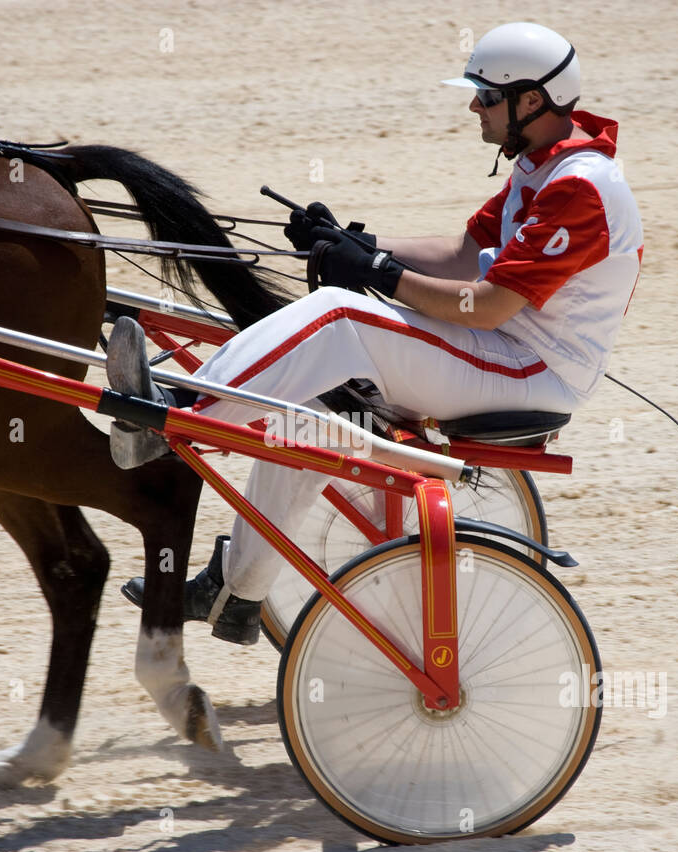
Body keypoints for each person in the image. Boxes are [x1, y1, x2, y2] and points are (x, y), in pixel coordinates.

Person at [109, 21, 643, 645]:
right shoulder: (540, 164)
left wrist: (379, 275)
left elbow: (489, 304)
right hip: (502, 350)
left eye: (486, 95)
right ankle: (236, 594)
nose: (474, 105)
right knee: (304, 411)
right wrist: (357, 243)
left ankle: (172, 414)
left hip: (531, 369)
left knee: (340, 316)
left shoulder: (580, 187)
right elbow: (463, 251)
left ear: (532, 101)